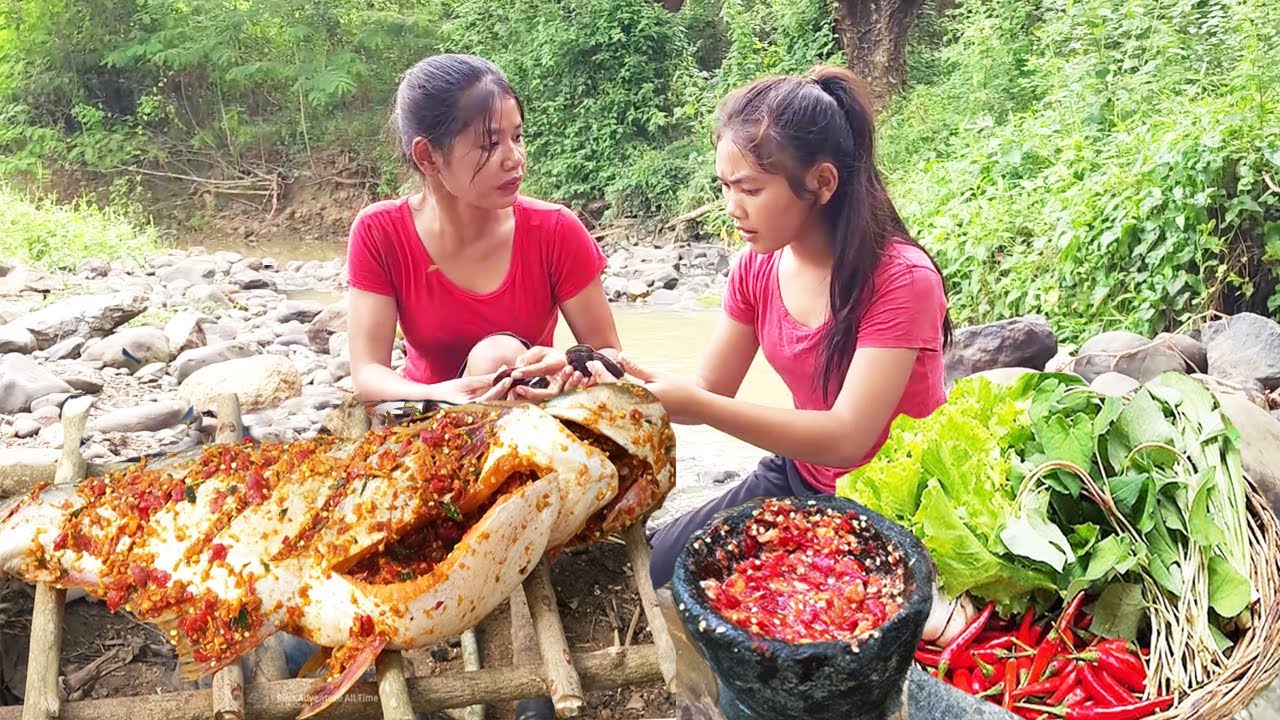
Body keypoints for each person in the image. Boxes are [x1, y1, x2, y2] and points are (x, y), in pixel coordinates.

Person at [619, 64, 953, 589]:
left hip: (894, 500)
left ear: (821, 182)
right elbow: (708, 387)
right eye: (726, 186)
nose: (732, 208)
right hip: (800, 476)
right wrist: (608, 376)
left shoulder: (901, 280)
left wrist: (702, 408)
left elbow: (848, 439)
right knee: (649, 571)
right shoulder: (756, 266)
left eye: (750, 189)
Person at [346, 53, 622, 408]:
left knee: (500, 357)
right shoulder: (381, 231)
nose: (515, 158)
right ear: (427, 156)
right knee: (496, 358)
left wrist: (568, 368)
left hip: (534, 418)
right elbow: (367, 373)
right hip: (426, 422)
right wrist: (436, 394)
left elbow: (608, 353)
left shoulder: (555, 230)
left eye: (517, 137)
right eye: (490, 144)